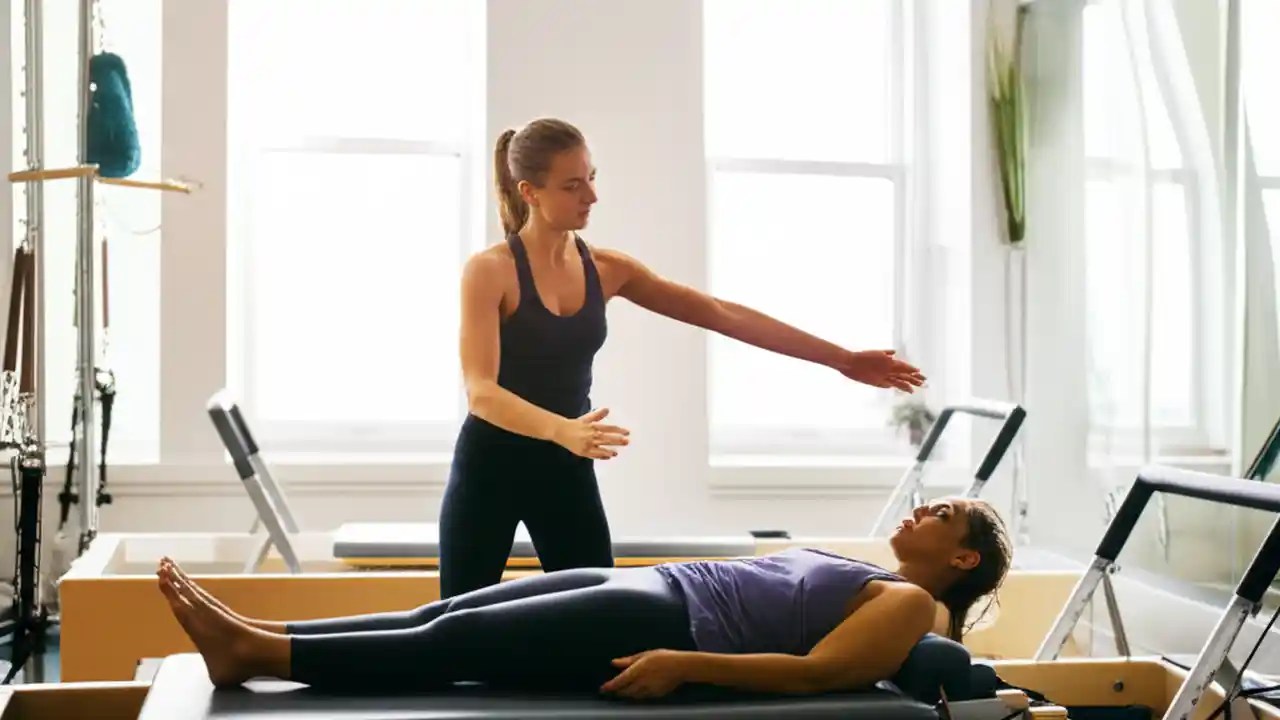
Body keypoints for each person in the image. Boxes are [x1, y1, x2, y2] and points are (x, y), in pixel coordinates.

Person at [443, 117, 928, 597]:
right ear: (530, 192)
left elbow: (721, 314)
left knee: (599, 622)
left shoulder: (609, 270)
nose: (591, 196)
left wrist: (841, 359)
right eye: (573, 186)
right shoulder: (489, 273)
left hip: (566, 465)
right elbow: (482, 393)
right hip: (492, 464)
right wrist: (561, 428)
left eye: (592, 178)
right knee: (451, 627)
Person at [156, 497, 1011, 700]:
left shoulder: (911, 608)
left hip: (670, 622)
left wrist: (685, 664)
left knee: (455, 648)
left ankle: (260, 656)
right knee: (445, 613)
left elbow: (817, 674)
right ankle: (264, 632)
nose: (923, 508)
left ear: (961, 556)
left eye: (943, 515)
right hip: (653, 587)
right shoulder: (881, 576)